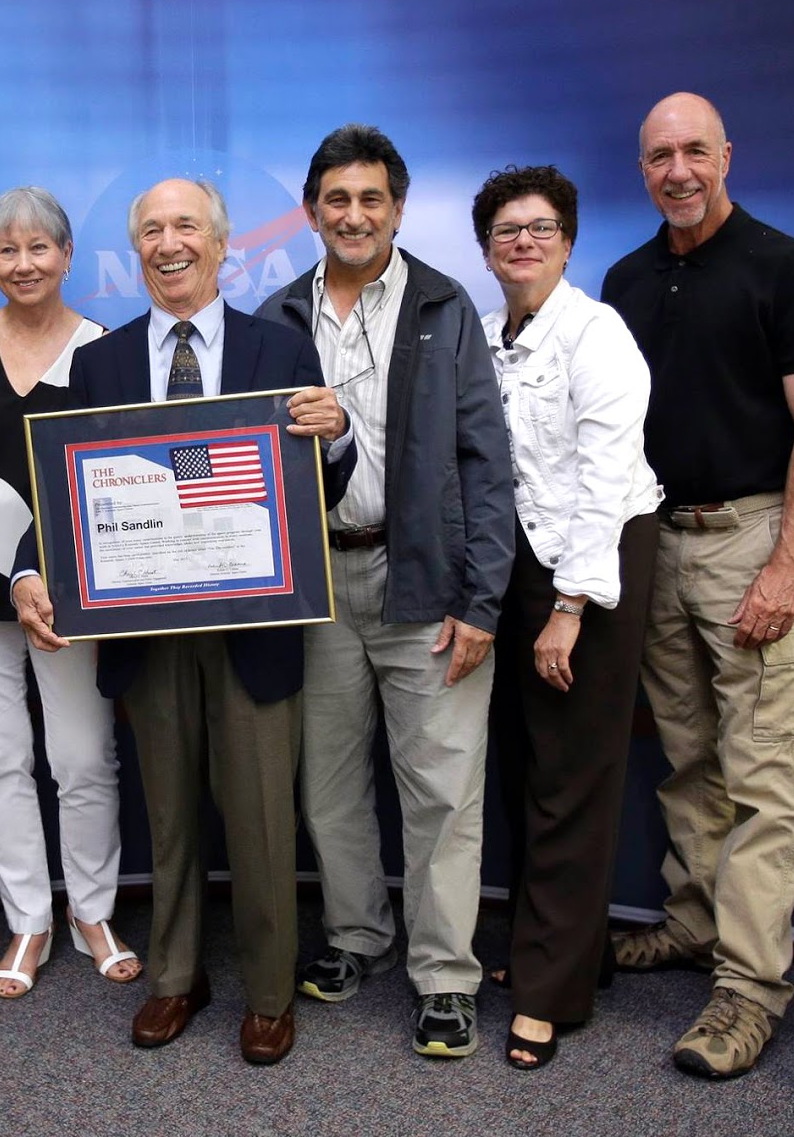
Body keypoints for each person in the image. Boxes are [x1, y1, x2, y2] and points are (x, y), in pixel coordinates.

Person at [13, 178, 355, 1065]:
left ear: (221, 242)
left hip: (256, 628)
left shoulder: (281, 351)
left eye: (187, 226)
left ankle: (271, 995)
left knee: (261, 823)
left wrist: (339, 432)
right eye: (152, 230)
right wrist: (28, 568)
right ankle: (176, 978)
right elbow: (57, 490)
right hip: (150, 635)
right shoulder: (102, 363)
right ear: (137, 253)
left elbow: (324, 487)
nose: (170, 243)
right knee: (169, 819)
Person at [601, 92, 794, 1079]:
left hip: (752, 537)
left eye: (694, 150)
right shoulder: (624, 279)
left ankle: (748, 987)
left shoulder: (783, 267)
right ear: (643, 167)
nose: (677, 170)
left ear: (725, 154)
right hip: (657, 538)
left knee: (765, 778)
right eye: (659, 155)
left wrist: (787, 562)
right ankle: (694, 924)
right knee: (689, 757)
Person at [256, 124, 513, 1059]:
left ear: (398, 209)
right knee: (328, 787)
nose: (353, 215)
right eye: (336, 200)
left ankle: (446, 976)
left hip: (429, 587)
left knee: (442, 789)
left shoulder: (447, 307)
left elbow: (488, 464)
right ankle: (357, 937)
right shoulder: (280, 314)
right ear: (313, 212)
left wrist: (482, 602)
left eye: (371, 199)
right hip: (319, 582)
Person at [472, 165, 661, 1069]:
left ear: (569, 241)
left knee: (571, 779)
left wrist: (569, 611)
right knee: (523, 764)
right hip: (512, 569)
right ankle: (565, 950)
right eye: (506, 229)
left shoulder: (599, 334)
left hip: (593, 570)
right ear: (485, 248)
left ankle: (548, 993)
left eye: (541, 227)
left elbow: (601, 482)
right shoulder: (483, 337)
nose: (523, 241)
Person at [0, 187, 140, 998]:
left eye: (38, 249)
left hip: (69, 591)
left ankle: (93, 911)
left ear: (66, 257)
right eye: (6, 251)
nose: (22, 264)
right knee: (0, 760)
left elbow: (114, 477)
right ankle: (29, 921)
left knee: (83, 757)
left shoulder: (103, 351)